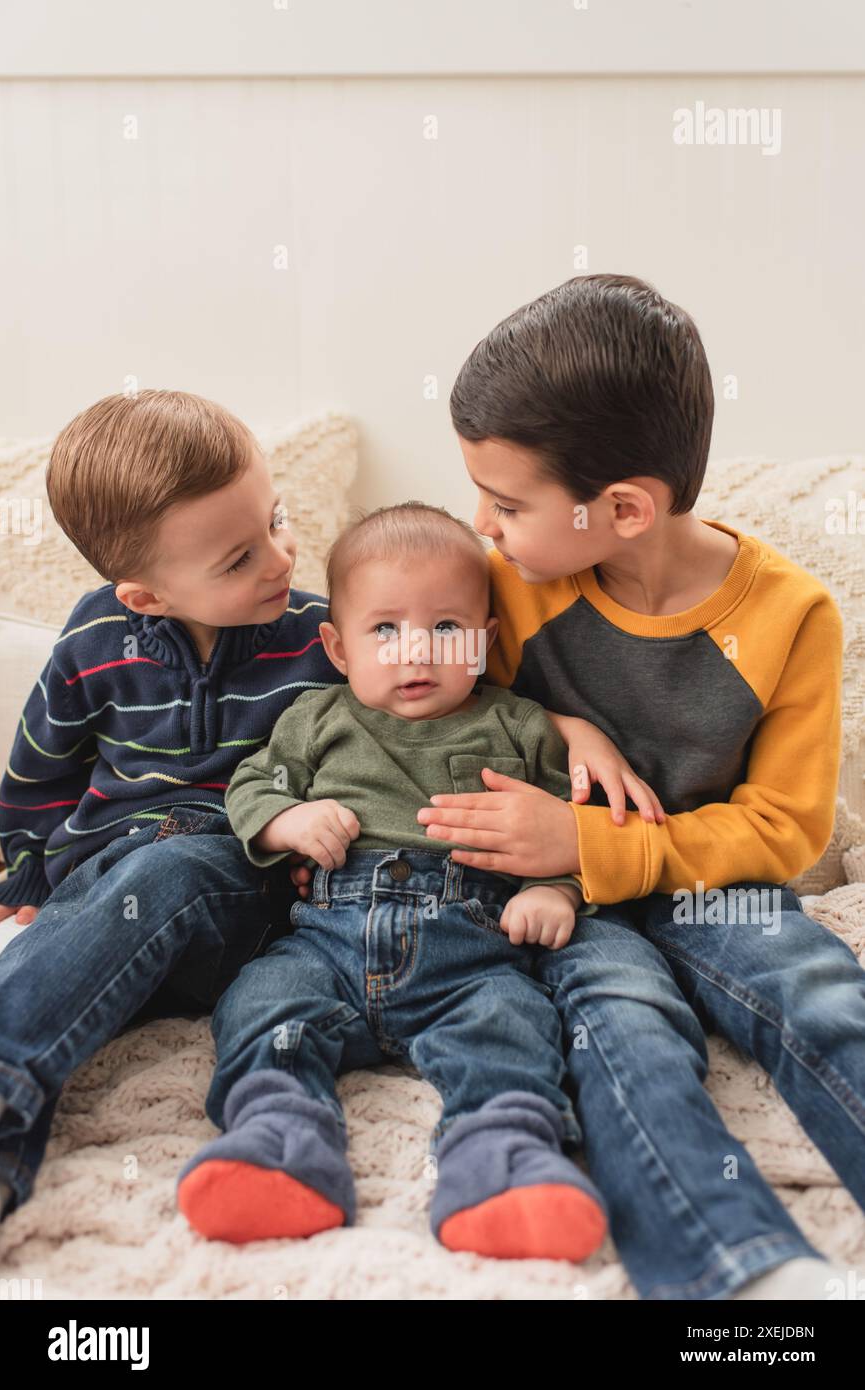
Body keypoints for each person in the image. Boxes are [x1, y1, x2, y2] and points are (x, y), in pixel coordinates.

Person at [379, 272, 864, 1300]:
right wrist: (563, 723)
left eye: (507, 502)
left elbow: (781, 828)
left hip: (702, 876)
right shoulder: (500, 579)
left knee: (816, 987)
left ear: (626, 508)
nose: (483, 522)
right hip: (564, 908)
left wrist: (596, 846)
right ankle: (742, 1273)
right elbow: (419, 695)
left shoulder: (792, 616)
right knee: (627, 1033)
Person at [177, 501, 661, 1259]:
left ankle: (502, 1160)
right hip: (328, 948)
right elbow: (251, 787)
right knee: (263, 1005)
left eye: (446, 628)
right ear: (336, 648)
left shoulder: (519, 727)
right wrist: (288, 824)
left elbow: (575, 836)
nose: (416, 653)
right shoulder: (314, 719)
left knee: (511, 1029)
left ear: (486, 640)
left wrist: (554, 891)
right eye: (384, 629)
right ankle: (278, 1137)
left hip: (472, 957)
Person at [0, 389, 343, 1220]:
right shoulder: (89, 641)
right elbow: (41, 774)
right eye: (236, 560)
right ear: (145, 595)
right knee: (98, 906)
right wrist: (27, 881)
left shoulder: (321, 637)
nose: (279, 558)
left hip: (234, 873)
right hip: (102, 870)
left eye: (277, 518)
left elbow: (372, 756)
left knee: (173, 867)